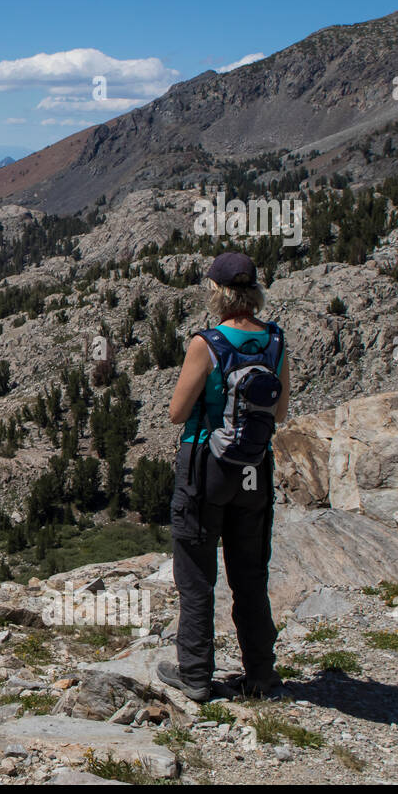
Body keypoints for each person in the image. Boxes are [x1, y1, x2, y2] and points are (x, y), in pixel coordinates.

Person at [157, 252, 290, 701]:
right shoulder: (275, 341)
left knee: (196, 576)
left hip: (205, 470)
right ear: (253, 292)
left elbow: (177, 413)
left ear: (216, 293)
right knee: (250, 575)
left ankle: (195, 675)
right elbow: (282, 411)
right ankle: (261, 676)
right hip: (255, 470)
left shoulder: (207, 343)